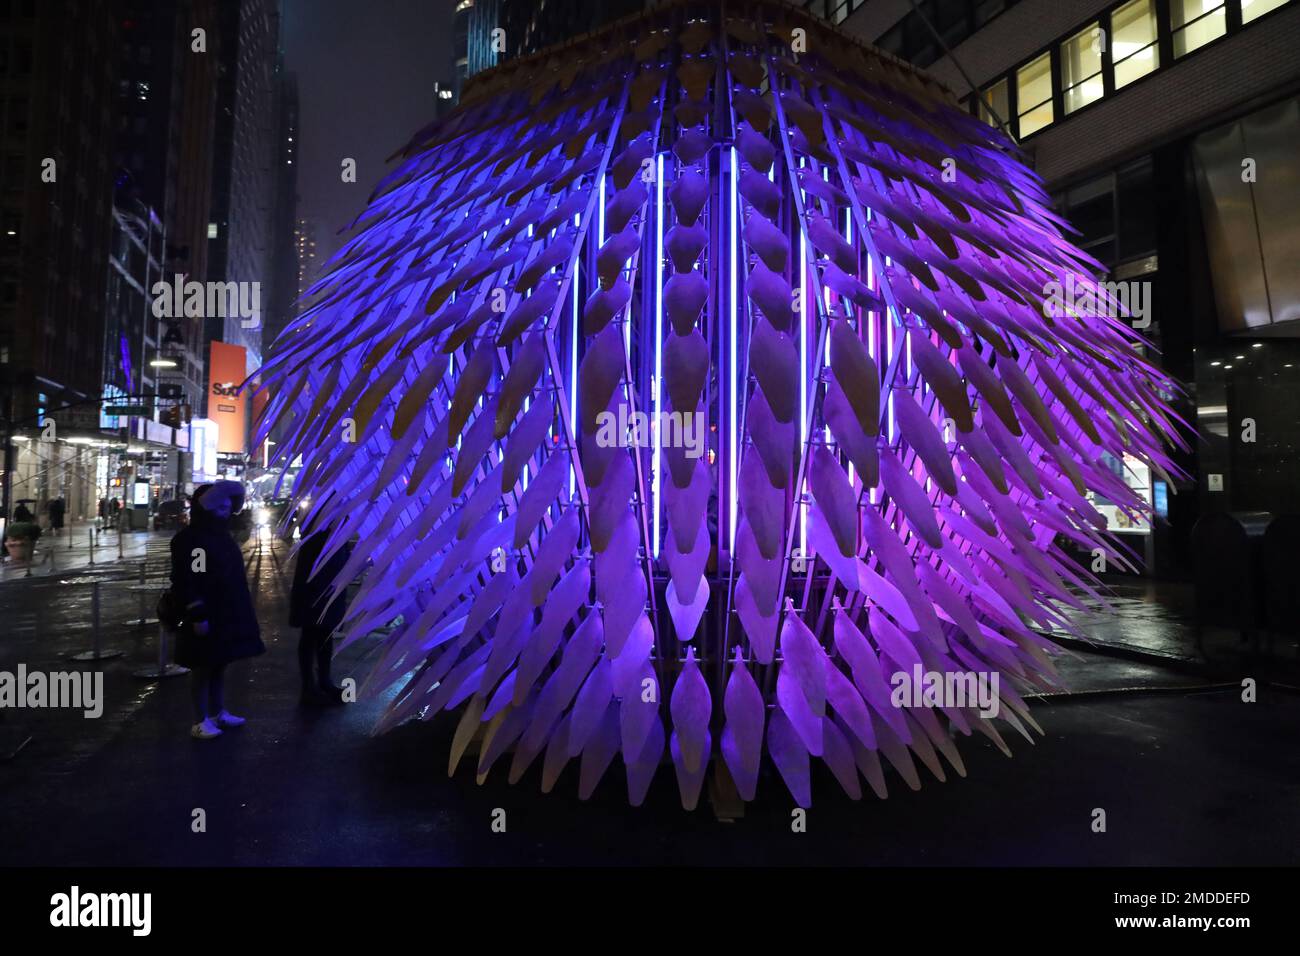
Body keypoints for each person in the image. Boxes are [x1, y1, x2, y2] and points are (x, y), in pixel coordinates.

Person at [169, 480, 265, 739]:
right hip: (206, 613)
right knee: (202, 666)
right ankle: (200, 720)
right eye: (219, 505)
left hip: (226, 611)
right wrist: (197, 612)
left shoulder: (221, 535)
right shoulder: (192, 540)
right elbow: (188, 578)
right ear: (205, 507)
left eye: (227, 505)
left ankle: (217, 712)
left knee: (220, 663)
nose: (225, 509)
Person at [289, 528, 351, 705]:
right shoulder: (319, 528)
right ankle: (309, 688)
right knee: (311, 635)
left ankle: (323, 682)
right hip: (315, 590)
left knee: (324, 635)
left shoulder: (338, 526)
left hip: (329, 588)